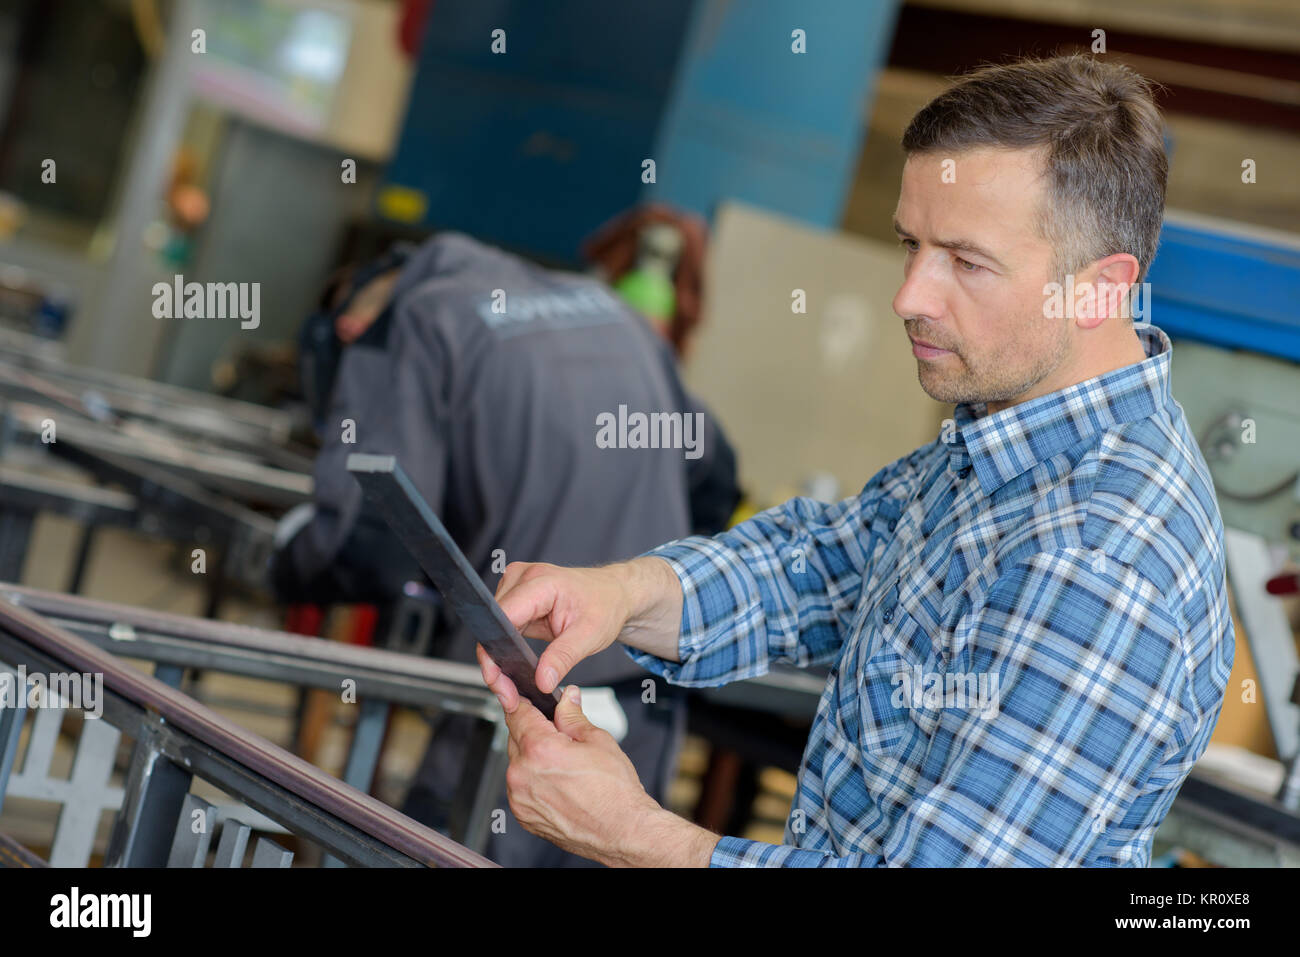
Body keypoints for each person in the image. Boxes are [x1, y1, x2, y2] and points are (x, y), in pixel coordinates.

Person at [475, 54, 1235, 867]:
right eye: (912, 244)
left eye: (966, 262)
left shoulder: (1100, 560)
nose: (909, 296)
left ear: (1099, 289)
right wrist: (623, 594)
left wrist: (630, 833)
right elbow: (820, 567)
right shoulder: (1006, 435)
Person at [270, 228, 741, 867]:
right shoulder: (610, 308)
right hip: (647, 676)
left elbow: (363, 537)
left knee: (455, 847)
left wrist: (284, 556)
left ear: (351, 326)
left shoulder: (421, 317)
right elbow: (715, 476)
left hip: (527, 687)